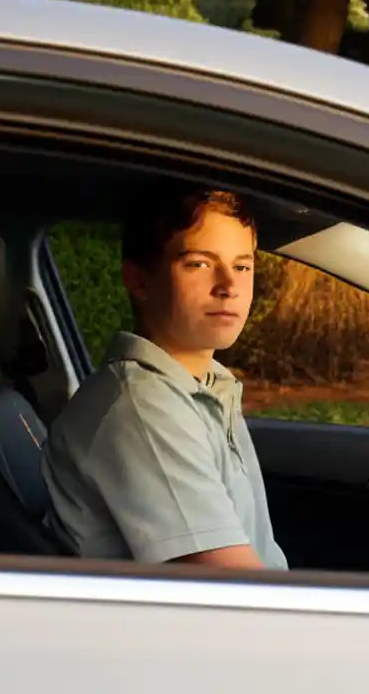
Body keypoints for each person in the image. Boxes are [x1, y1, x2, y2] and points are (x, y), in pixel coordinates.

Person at [42, 185, 287, 570]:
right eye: (199, 264)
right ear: (139, 281)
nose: (228, 286)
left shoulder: (201, 385)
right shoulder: (142, 406)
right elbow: (239, 593)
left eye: (242, 266)